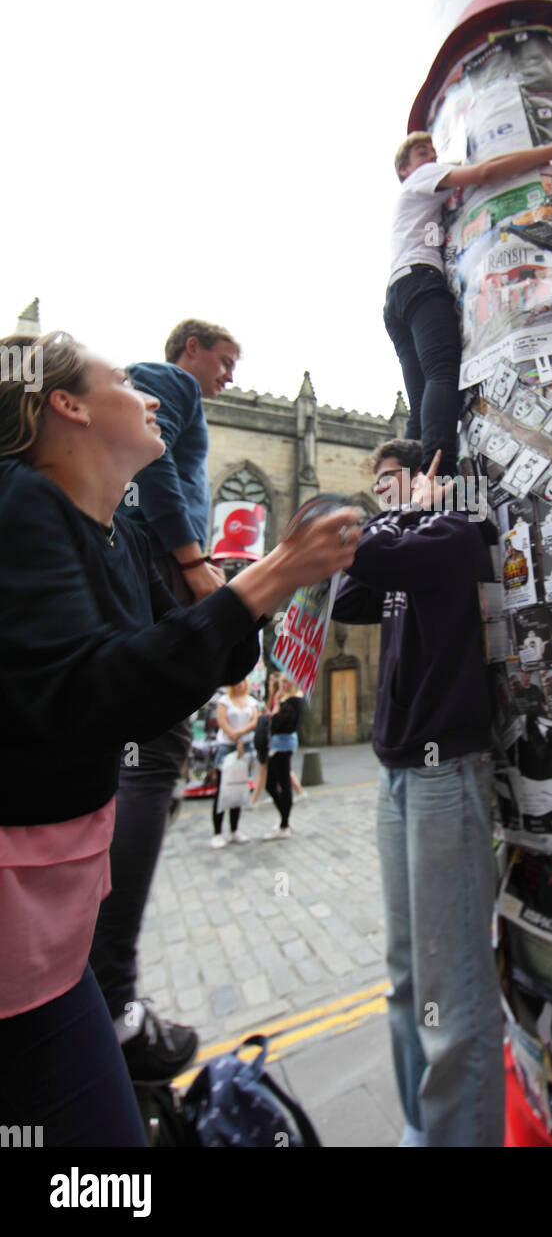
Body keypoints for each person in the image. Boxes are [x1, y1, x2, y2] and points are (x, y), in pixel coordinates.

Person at [0, 330, 360, 1145]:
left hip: (54, 946)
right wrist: (271, 574)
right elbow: (94, 692)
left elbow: (185, 658)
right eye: (124, 383)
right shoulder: (18, 501)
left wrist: (250, 586)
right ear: (68, 405)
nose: (154, 395)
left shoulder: (119, 535)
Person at [332, 437, 504, 1147]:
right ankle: (417, 1129)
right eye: (373, 488)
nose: (380, 496)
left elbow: (369, 553)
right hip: (397, 771)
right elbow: (350, 592)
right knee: (406, 975)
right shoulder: (408, 538)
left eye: (391, 481)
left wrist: (420, 510)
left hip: (447, 772)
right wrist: (401, 512)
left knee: (451, 987)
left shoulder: (460, 531)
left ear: (432, 475)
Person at [89, 317, 242, 1081]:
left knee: (139, 751)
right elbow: (147, 460)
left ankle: (98, 991)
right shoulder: (168, 379)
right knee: (156, 747)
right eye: (226, 358)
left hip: (142, 559)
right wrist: (194, 561)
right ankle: (111, 1001)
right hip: (153, 560)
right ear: (191, 348)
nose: (231, 374)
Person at [386, 133, 552, 479]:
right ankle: (440, 479)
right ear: (404, 169)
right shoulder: (422, 178)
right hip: (420, 282)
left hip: (397, 295)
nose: (433, 157)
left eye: (434, 151)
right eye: (422, 153)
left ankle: (404, 488)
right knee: (442, 374)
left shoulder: (415, 200)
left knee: (420, 399)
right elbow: (485, 173)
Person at [211, 679, 259, 847]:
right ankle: (217, 832)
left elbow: (254, 721)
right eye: (237, 681)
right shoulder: (224, 700)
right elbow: (222, 722)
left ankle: (234, 830)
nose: (240, 684)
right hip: (227, 746)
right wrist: (235, 736)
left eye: (242, 681)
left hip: (245, 747)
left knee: (238, 788)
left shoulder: (251, 700)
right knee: (222, 790)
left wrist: (240, 734)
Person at [262, 674, 304, 840]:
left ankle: (284, 824)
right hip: (278, 744)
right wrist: (276, 696)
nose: (284, 684)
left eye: (286, 681)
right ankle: (284, 819)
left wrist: (277, 706)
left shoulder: (294, 700)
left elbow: (278, 721)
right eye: (282, 681)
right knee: (271, 784)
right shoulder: (286, 698)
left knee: (281, 784)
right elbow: (273, 716)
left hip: (283, 745)